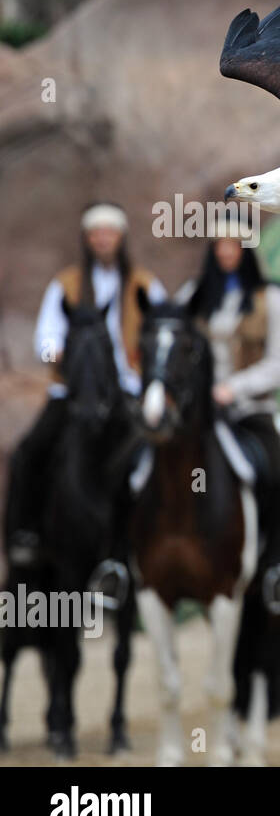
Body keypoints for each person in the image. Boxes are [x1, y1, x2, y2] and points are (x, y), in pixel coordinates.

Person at [4, 203, 166, 570]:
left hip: (127, 391)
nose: (103, 239)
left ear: (121, 238)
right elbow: (45, 336)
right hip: (73, 391)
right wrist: (57, 354)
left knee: (167, 457)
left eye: (110, 233)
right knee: (27, 453)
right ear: (87, 239)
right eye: (97, 233)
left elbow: (160, 333)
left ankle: (150, 540)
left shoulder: (145, 284)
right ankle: (25, 534)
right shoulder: (67, 284)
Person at [175, 227, 280, 610]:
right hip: (197, 413)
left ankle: (278, 567)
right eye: (221, 245)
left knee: (279, 478)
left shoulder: (273, 299)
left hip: (250, 410)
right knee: (144, 465)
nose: (227, 252)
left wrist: (233, 388)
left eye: (235, 245)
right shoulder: (191, 296)